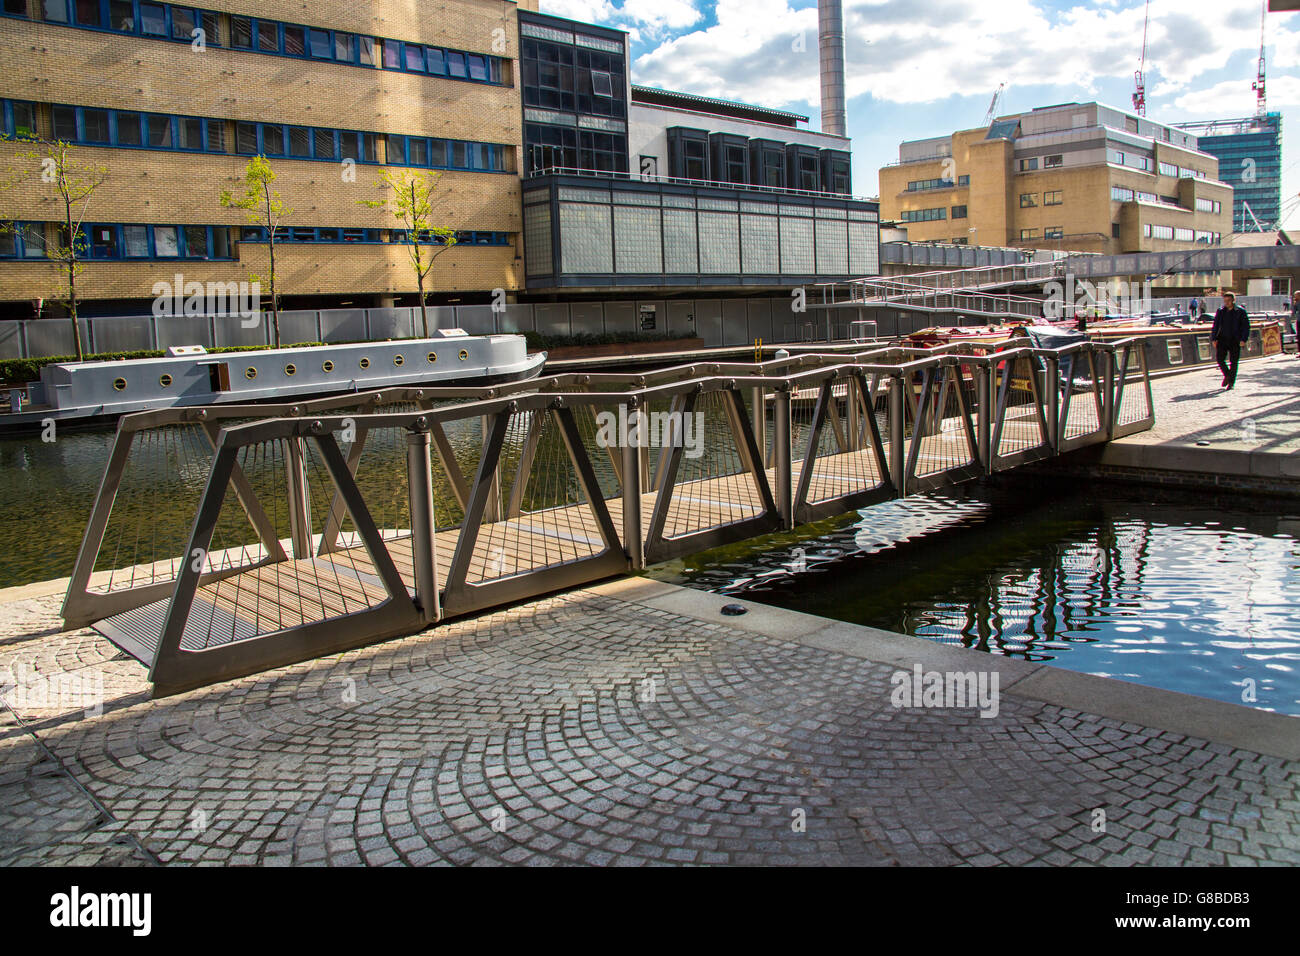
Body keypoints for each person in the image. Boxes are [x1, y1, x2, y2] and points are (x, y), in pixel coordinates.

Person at [1211, 291, 1250, 390]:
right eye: (1225, 301)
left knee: (1234, 362)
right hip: (1223, 339)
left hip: (1235, 340)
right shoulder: (1220, 311)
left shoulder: (1241, 311)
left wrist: (1243, 339)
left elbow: (1246, 327)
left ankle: (1231, 383)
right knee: (1220, 359)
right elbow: (1216, 325)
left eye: (1228, 301)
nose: (1226, 303)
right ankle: (1227, 375)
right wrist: (1214, 338)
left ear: (1233, 300)